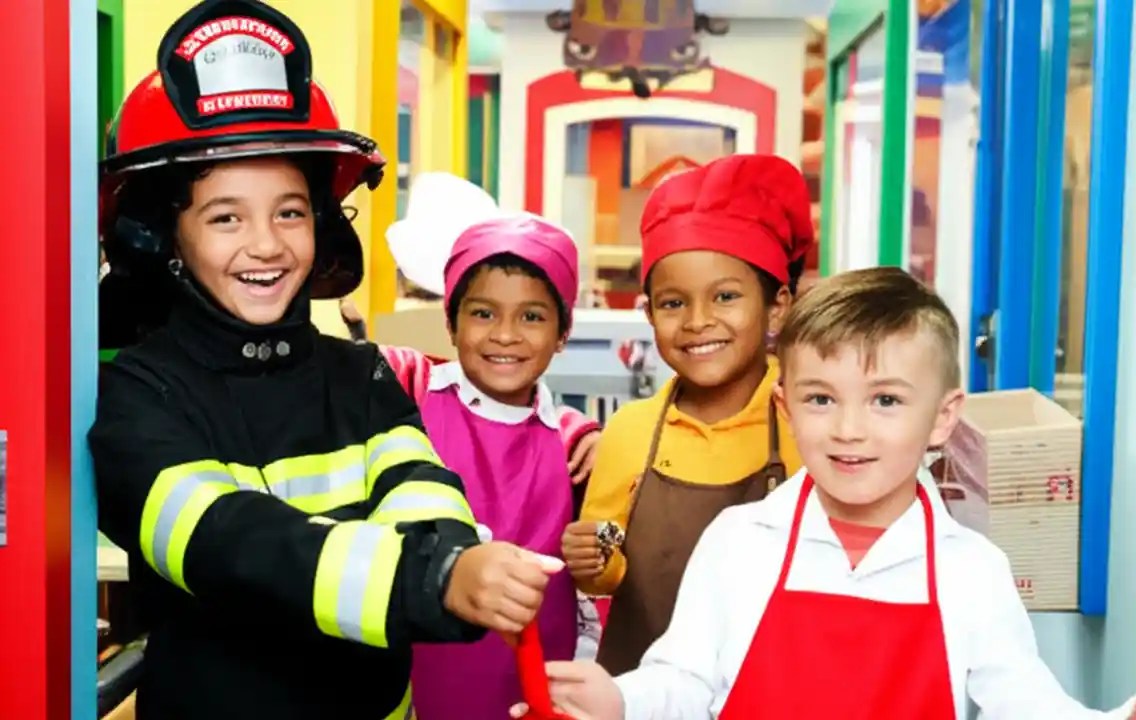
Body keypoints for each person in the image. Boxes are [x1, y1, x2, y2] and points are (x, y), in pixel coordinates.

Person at [89, 2, 556, 718]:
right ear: (161, 237)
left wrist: (450, 556)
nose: (267, 245)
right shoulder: (137, 395)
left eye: (290, 211)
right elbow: (230, 543)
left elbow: (427, 499)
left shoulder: (361, 374)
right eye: (225, 217)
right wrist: (431, 579)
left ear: (324, 223)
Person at [515, 268, 1136, 719]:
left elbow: (1024, 702)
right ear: (786, 407)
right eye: (821, 399)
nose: (849, 429)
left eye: (886, 400)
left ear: (943, 418)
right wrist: (618, 701)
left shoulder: (969, 569)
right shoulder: (741, 542)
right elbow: (686, 681)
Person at [562, 154, 814, 675]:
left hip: (770, 691)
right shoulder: (630, 432)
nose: (699, 322)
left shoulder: (806, 425)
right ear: (648, 313)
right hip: (642, 690)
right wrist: (590, 559)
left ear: (777, 305)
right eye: (673, 303)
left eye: (725, 296)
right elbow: (602, 574)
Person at [376, 174, 602, 718]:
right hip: (412, 673)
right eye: (482, 313)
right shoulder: (410, 389)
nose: (505, 334)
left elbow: (605, 563)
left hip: (532, 679)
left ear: (563, 333)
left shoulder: (576, 440)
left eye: (532, 316)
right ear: (450, 323)